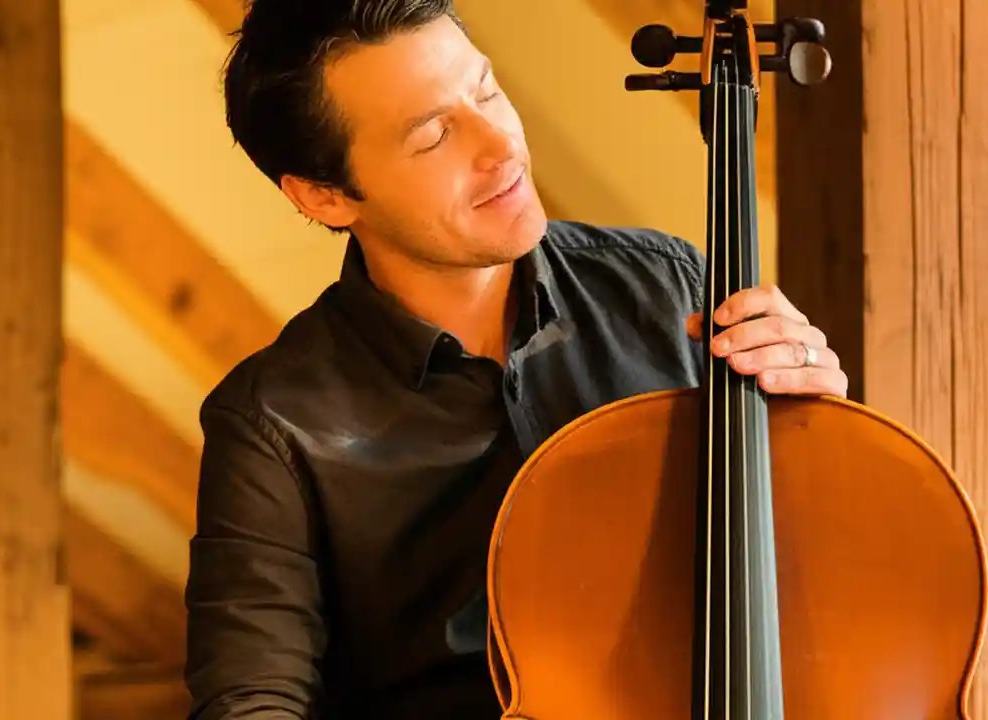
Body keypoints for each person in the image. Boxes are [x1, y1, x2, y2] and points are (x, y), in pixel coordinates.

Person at [183, 1, 848, 719]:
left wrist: (812, 432)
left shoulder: (670, 287)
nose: (499, 145)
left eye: (486, 90)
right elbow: (251, 703)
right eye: (436, 133)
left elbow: (816, 587)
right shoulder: (271, 424)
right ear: (326, 194)